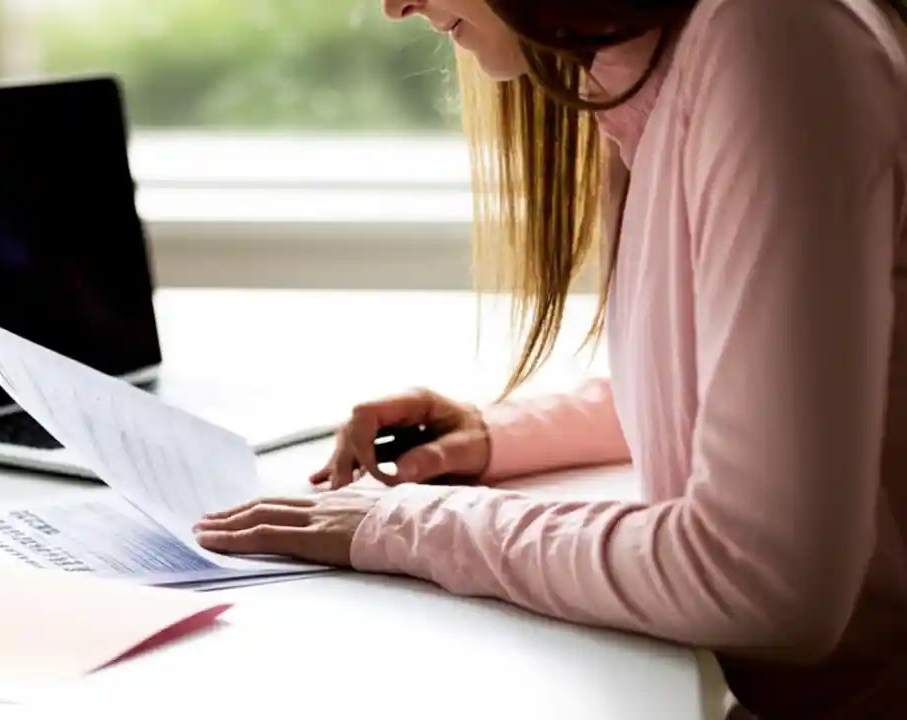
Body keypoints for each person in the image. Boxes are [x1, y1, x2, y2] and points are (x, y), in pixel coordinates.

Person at [194, 0, 907, 717]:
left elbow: (760, 579)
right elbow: (752, 388)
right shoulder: (661, 75)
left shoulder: (773, 36)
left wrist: (403, 526)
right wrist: (497, 434)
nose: (393, 5)